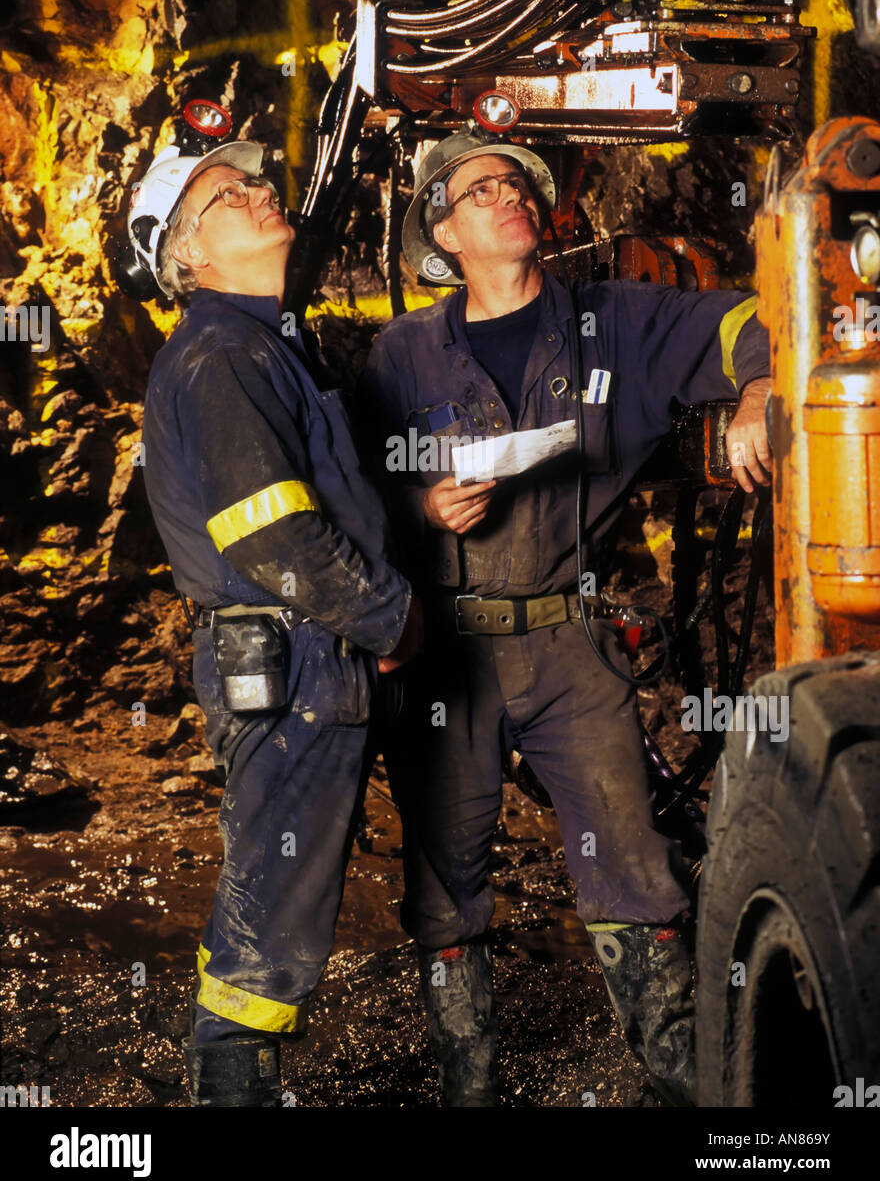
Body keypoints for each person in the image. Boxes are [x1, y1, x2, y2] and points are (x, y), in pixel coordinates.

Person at [360, 123, 771, 1107]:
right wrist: (420, 503)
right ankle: (472, 1081)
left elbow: (745, 320)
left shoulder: (613, 322)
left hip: (569, 646)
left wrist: (756, 388)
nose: (504, 194)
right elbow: (356, 482)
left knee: (630, 866)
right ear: (444, 235)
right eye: (477, 189)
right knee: (444, 889)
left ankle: (686, 1083)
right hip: (446, 650)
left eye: (514, 181)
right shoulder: (402, 352)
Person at [127, 122, 420, 1106]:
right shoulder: (220, 350)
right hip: (290, 665)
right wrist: (391, 618)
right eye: (225, 197)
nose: (259, 193)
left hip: (304, 658)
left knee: (276, 911)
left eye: (253, 181)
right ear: (190, 258)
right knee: (271, 932)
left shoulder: (262, 343)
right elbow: (271, 538)